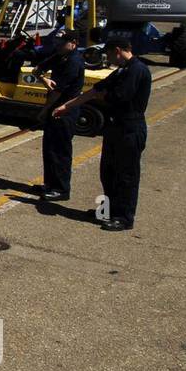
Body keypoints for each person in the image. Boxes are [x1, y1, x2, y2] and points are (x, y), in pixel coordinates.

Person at [53, 36, 151, 231]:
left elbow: (118, 96)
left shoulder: (137, 70)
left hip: (129, 128)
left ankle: (123, 217)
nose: (107, 58)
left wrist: (101, 95)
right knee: (108, 172)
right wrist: (66, 106)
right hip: (115, 128)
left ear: (117, 50)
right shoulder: (121, 70)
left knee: (126, 176)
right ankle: (107, 211)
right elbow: (96, 90)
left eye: (108, 53)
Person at [35, 32, 85, 201]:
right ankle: (50, 183)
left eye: (62, 42)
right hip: (54, 108)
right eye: (57, 41)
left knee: (60, 151)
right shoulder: (59, 56)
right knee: (49, 149)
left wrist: (44, 110)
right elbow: (37, 69)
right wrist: (44, 80)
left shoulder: (73, 61)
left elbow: (58, 91)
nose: (58, 44)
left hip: (65, 110)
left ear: (73, 43)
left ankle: (61, 189)